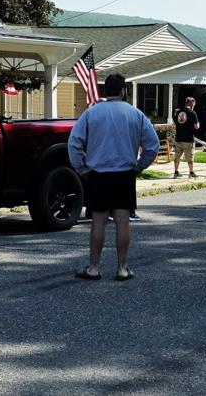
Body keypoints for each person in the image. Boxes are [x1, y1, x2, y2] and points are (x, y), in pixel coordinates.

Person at [68, 74, 159, 281]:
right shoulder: (135, 114)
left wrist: (81, 168)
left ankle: (94, 268)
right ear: (123, 90)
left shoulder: (91, 113)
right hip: (124, 174)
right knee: (123, 221)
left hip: (98, 174)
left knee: (98, 221)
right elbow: (152, 145)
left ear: (104, 90)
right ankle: (122, 268)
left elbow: (74, 142)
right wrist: (139, 166)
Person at [172, 97, 200, 179]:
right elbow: (196, 126)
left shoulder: (178, 112)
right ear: (192, 103)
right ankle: (191, 173)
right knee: (190, 158)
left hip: (178, 138)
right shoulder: (193, 113)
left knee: (177, 157)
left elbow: (175, 122)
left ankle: (176, 172)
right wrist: (198, 124)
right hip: (188, 139)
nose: (194, 105)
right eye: (193, 103)